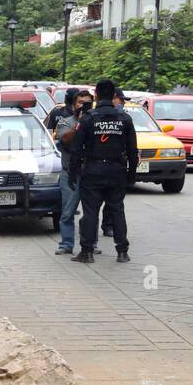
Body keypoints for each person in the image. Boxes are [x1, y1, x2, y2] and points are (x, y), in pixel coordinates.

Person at [70, 80, 138, 264]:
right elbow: (133, 150)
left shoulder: (88, 118)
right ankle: (122, 252)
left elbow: (76, 149)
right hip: (116, 171)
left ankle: (87, 252)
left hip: (93, 170)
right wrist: (132, 173)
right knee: (117, 211)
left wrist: (72, 173)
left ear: (97, 95)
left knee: (90, 212)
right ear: (114, 96)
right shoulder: (124, 119)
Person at [47, 88, 93, 255]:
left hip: (90, 174)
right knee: (67, 212)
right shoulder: (65, 122)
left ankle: (91, 243)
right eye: (80, 103)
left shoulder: (95, 122)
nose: (83, 106)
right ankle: (66, 244)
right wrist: (80, 125)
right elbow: (65, 140)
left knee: (91, 213)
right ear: (74, 105)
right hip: (70, 174)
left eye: (87, 103)